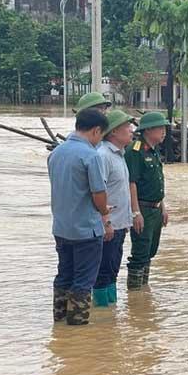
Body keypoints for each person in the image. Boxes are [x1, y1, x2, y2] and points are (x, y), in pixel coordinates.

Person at [48, 108, 110, 325]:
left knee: (64, 276)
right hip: (86, 229)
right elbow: (99, 194)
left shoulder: (56, 153)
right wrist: (105, 212)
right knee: (83, 282)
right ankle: (77, 330)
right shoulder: (90, 156)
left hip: (61, 227)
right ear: (96, 131)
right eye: (101, 135)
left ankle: (60, 324)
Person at [92, 110, 135, 307]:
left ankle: (111, 313)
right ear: (114, 132)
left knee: (113, 270)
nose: (132, 130)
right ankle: (103, 313)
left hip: (119, 224)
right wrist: (106, 222)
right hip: (108, 226)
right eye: (127, 127)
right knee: (103, 271)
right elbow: (98, 191)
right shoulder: (103, 156)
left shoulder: (119, 155)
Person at [124, 111, 170, 291]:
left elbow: (157, 182)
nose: (164, 132)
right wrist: (135, 213)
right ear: (148, 130)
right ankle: (135, 296)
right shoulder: (135, 150)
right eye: (160, 128)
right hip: (143, 208)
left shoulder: (153, 151)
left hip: (155, 209)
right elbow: (131, 183)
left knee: (150, 251)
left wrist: (163, 208)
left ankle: (144, 292)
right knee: (140, 253)